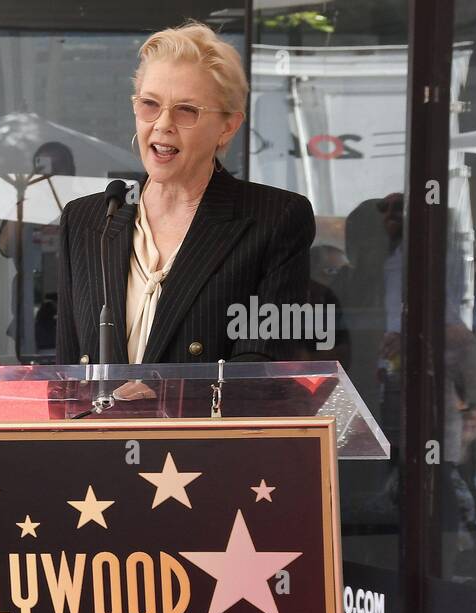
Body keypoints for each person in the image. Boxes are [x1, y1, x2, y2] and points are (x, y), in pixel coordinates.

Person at [56, 21, 315, 366]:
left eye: (186, 110)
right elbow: (67, 372)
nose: (163, 124)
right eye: (150, 104)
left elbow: (263, 367)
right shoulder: (85, 219)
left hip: (203, 421)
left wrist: (165, 396)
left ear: (228, 127)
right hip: (100, 423)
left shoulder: (277, 218)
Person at [0, 142, 76, 358]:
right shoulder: (27, 205)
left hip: (70, 301)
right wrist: (27, 197)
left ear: (71, 171)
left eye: (58, 168)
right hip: (32, 302)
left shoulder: (81, 204)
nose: (51, 174)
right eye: (44, 168)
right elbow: (5, 246)